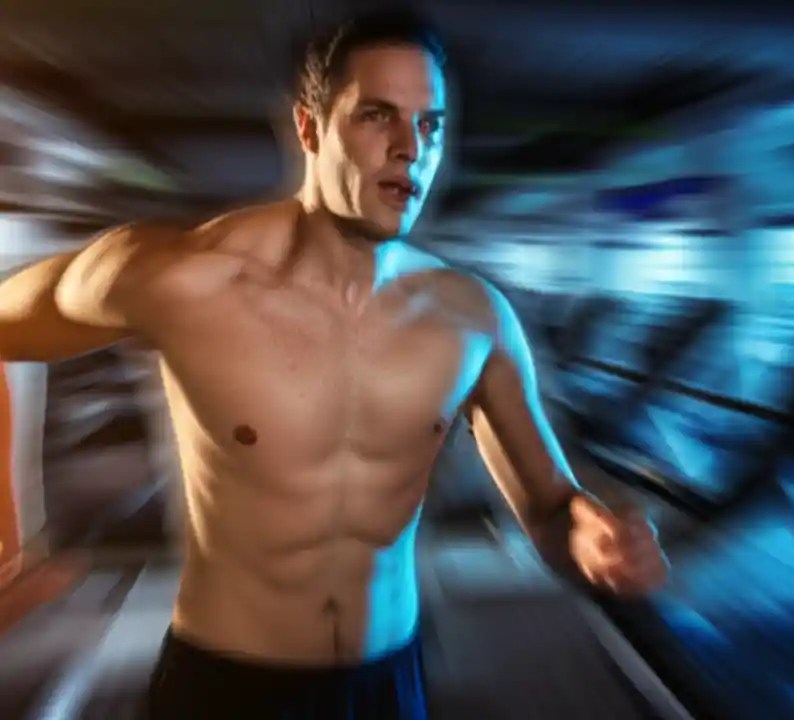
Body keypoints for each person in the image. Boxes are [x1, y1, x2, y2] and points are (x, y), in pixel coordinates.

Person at [0, 9, 668, 719]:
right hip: (225, 689)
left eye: (430, 124)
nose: (411, 148)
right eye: (378, 116)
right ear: (310, 127)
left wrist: (590, 537)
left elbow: (546, 507)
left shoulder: (473, 318)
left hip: (387, 686)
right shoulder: (180, 279)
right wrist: (9, 530)